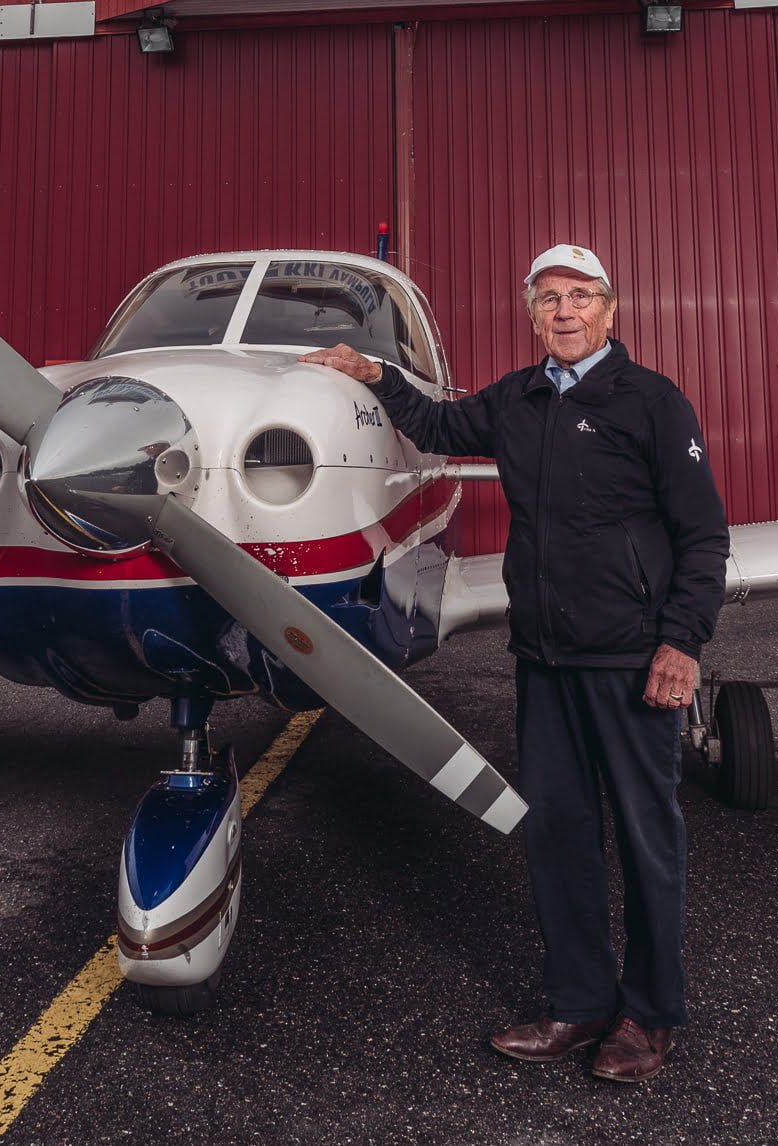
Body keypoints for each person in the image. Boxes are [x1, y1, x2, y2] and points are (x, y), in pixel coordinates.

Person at [301, 244, 729, 1083]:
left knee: (648, 839)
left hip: (630, 658)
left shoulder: (651, 402)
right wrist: (369, 371)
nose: (564, 312)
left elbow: (701, 534)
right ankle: (577, 1003)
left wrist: (681, 641)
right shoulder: (517, 397)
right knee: (559, 837)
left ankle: (646, 1017)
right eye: (547, 300)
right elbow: (433, 425)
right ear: (530, 314)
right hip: (543, 660)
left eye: (579, 297)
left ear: (610, 309)